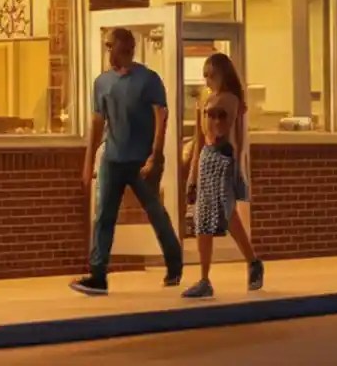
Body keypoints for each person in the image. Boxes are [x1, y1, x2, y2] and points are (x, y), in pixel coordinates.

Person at [71, 27, 183, 296]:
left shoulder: (148, 80)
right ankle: (98, 275)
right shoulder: (102, 83)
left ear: (128, 49)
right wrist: (89, 163)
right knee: (104, 216)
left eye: (114, 48)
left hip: (142, 159)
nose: (110, 53)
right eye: (107, 47)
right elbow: (97, 124)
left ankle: (174, 263)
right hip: (113, 158)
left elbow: (161, 117)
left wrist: (155, 155)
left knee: (155, 211)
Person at [182, 53, 264, 298]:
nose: (208, 80)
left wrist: (236, 165)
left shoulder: (229, 100)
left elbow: (229, 131)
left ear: (223, 74)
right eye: (205, 76)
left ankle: (252, 261)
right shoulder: (208, 101)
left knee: (227, 213)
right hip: (207, 157)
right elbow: (199, 141)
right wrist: (192, 176)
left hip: (223, 157)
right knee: (203, 218)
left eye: (211, 75)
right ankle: (205, 277)